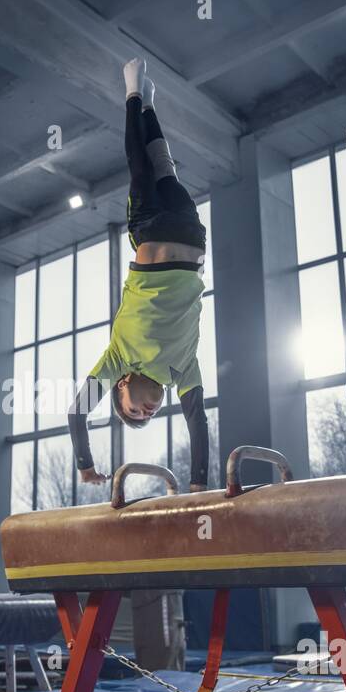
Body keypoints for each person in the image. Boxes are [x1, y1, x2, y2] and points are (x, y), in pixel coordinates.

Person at [68, 58, 209, 493]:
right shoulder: (182, 369)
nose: (147, 412)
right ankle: (148, 105)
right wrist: (199, 484)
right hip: (189, 232)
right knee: (164, 164)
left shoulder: (117, 359)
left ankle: (134, 92)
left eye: (134, 412)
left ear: (122, 387)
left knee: (140, 166)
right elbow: (197, 421)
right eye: (148, 417)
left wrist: (85, 466)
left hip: (148, 230)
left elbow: (76, 413)